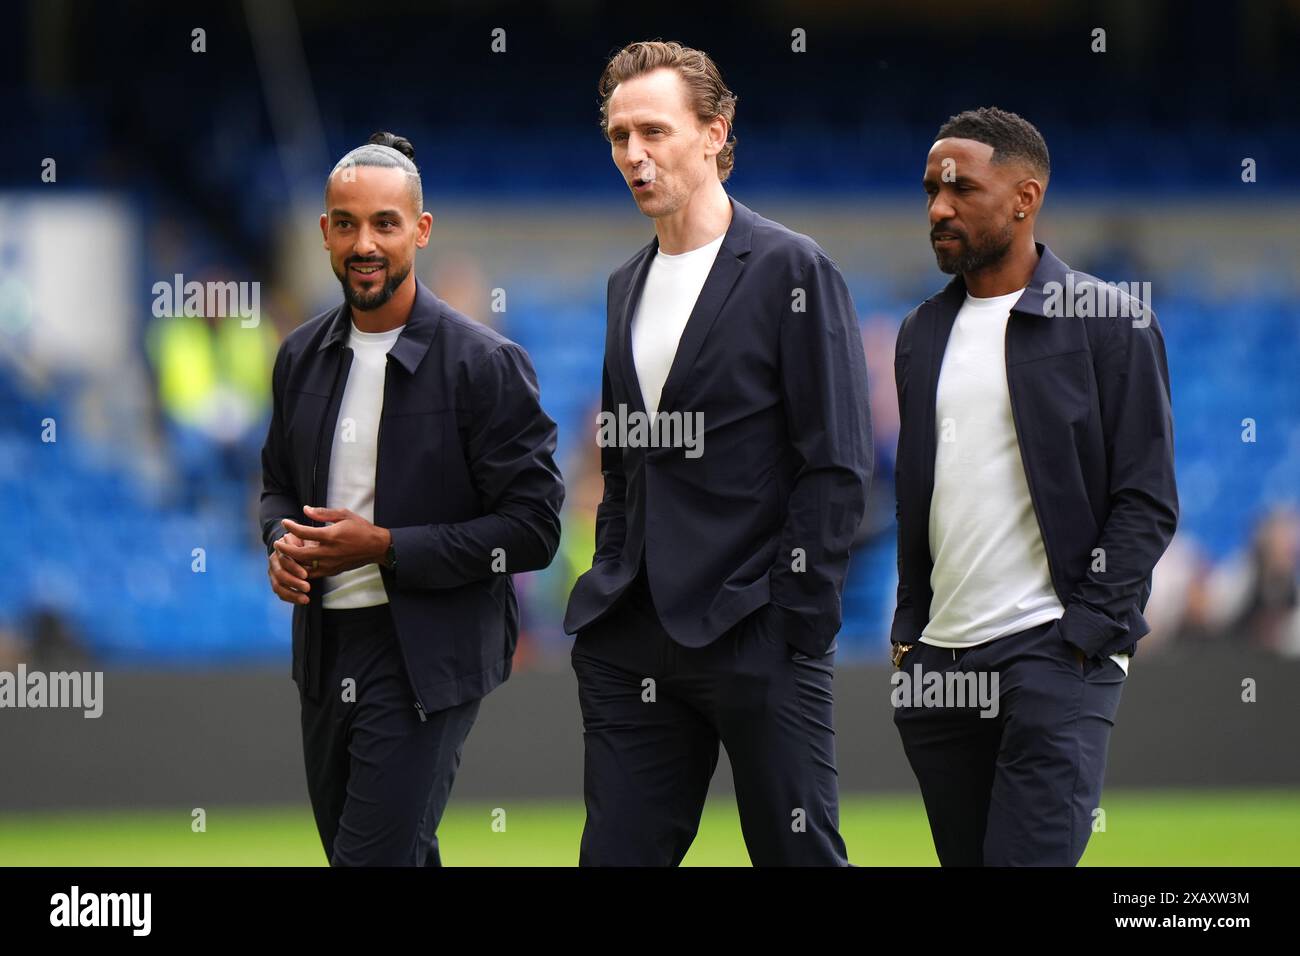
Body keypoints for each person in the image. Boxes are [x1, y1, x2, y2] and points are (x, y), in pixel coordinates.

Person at [564, 41, 873, 866]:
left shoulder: (792, 269)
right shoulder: (624, 284)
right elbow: (626, 464)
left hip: (755, 629)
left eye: (655, 131)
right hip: (633, 636)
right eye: (620, 135)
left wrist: (792, 616)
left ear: (714, 132)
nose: (634, 154)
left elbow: (837, 462)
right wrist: (612, 575)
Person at [259, 132, 564, 865]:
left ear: (419, 231)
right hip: (326, 652)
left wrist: (387, 547)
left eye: (385, 224)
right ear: (326, 232)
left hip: (426, 654)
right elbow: (276, 489)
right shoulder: (299, 354)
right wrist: (279, 543)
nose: (365, 244)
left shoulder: (485, 365)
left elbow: (532, 529)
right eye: (347, 224)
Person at [891, 108, 1178, 865]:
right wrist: (908, 637)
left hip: (1052, 656)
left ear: (1024, 199)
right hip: (941, 669)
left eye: (960, 190)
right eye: (930, 191)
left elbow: (1146, 501)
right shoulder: (921, 332)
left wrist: (1084, 636)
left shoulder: (1114, 324)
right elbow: (918, 489)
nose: (939, 208)